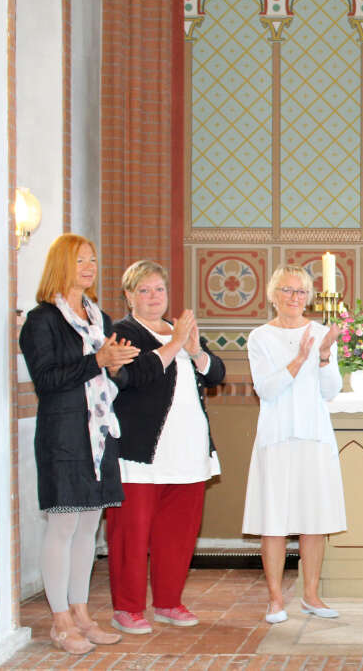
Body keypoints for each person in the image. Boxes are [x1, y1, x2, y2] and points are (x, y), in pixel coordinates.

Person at [19, 234, 139, 654]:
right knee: (64, 523)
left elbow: (111, 376)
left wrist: (118, 366)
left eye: (92, 259)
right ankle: (60, 621)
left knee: (90, 525)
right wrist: (98, 361)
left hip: (99, 432)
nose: (89, 267)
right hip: (65, 433)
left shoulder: (98, 316)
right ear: (61, 265)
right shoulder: (42, 320)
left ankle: (82, 613)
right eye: (80, 260)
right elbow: (48, 379)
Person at [107, 261, 226, 634]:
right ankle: (126, 607)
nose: (153, 297)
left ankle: (168, 602)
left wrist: (195, 350)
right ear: (128, 296)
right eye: (143, 291)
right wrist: (176, 344)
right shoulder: (122, 332)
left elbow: (216, 373)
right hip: (141, 453)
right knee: (131, 532)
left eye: (159, 289)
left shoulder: (180, 328)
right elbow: (133, 376)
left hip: (188, 449)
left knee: (178, 532)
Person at [242, 265, 347, 624]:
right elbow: (267, 389)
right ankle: (275, 599)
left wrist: (323, 354)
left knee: (314, 519)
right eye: (286, 290)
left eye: (301, 291)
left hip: (313, 435)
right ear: (273, 295)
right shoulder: (259, 337)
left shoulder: (322, 333)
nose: (294, 297)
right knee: (274, 521)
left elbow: (330, 389)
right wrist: (300, 358)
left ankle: (311, 595)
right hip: (276, 437)